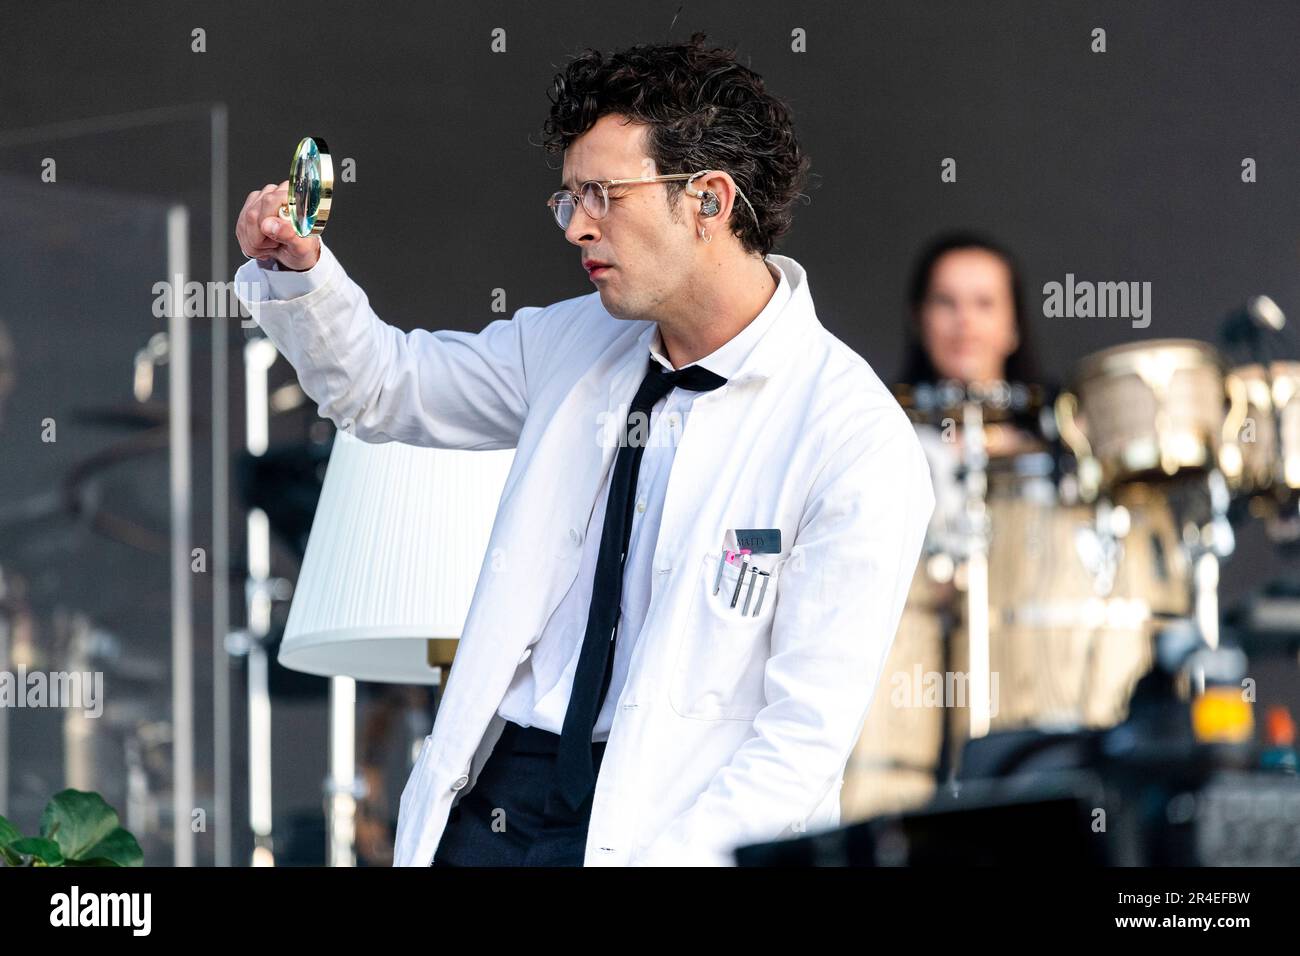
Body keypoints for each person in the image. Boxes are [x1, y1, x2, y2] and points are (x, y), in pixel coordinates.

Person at [234, 33, 934, 867]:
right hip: (493, 797)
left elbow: (800, 743)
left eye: (603, 194)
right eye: (570, 199)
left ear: (709, 200)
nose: (578, 228)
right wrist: (300, 272)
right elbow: (386, 388)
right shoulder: (571, 342)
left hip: (668, 824)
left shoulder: (850, 434)